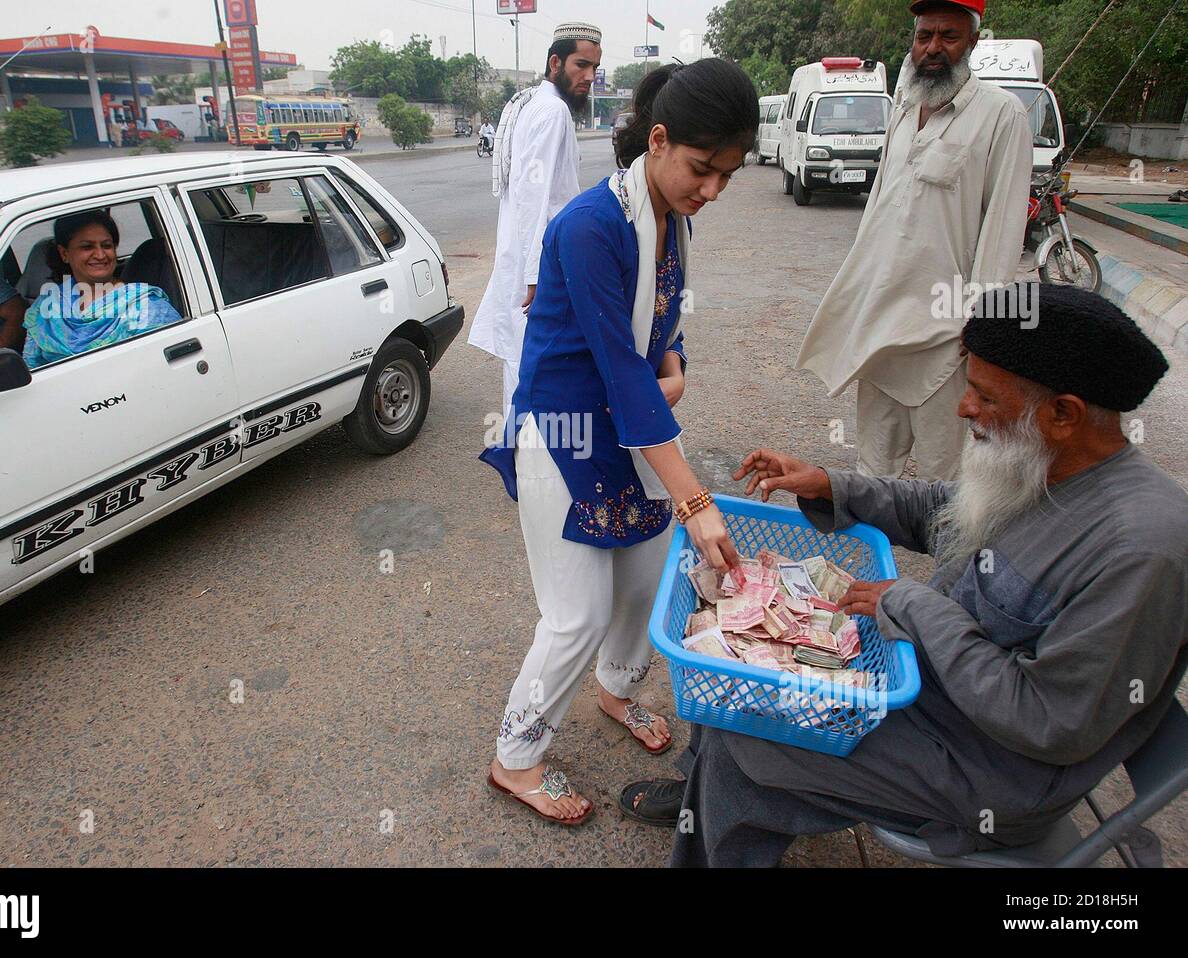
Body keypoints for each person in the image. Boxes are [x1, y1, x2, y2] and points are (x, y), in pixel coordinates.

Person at [620, 283, 1187, 867]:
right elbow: (942, 508)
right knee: (736, 674)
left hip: (988, 765)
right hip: (924, 678)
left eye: (985, 398)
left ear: (1063, 414)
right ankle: (703, 799)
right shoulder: (1047, 461)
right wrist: (831, 484)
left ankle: (713, 820)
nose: (965, 409)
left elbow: (1047, 723)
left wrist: (914, 606)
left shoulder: (1142, 550)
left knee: (746, 731)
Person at [480, 59, 759, 825]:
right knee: (576, 613)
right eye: (704, 169)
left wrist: (674, 364)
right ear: (659, 140)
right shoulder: (590, 225)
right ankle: (517, 757)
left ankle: (617, 690)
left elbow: (660, 330)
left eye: (728, 176)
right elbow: (615, 363)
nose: (712, 190)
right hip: (565, 434)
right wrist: (695, 498)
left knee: (641, 583)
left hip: (629, 433)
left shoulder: (671, 217)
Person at [795, 0, 1033, 481]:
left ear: (972, 42)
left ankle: (953, 560)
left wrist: (983, 327)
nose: (932, 48)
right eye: (924, 35)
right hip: (882, 329)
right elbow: (878, 217)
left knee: (947, 479)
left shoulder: (1001, 115)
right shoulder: (904, 110)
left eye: (947, 36)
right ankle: (874, 557)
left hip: (945, 335)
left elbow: (1004, 230)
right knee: (872, 471)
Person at [469, 22, 601, 416]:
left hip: (530, 260)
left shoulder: (533, 104)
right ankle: (526, 464)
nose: (589, 77)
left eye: (594, 67)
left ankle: (522, 460)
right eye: (581, 65)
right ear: (555, 62)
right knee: (535, 369)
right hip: (540, 268)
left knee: (522, 365)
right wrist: (535, 276)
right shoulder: (552, 111)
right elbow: (533, 198)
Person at [22, 209, 182, 370]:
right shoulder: (49, 305)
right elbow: (31, 367)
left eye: (106, 246)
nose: (100, 255)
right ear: (64, 253)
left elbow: (160, 371)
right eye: (87, 247)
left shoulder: (144, 307)